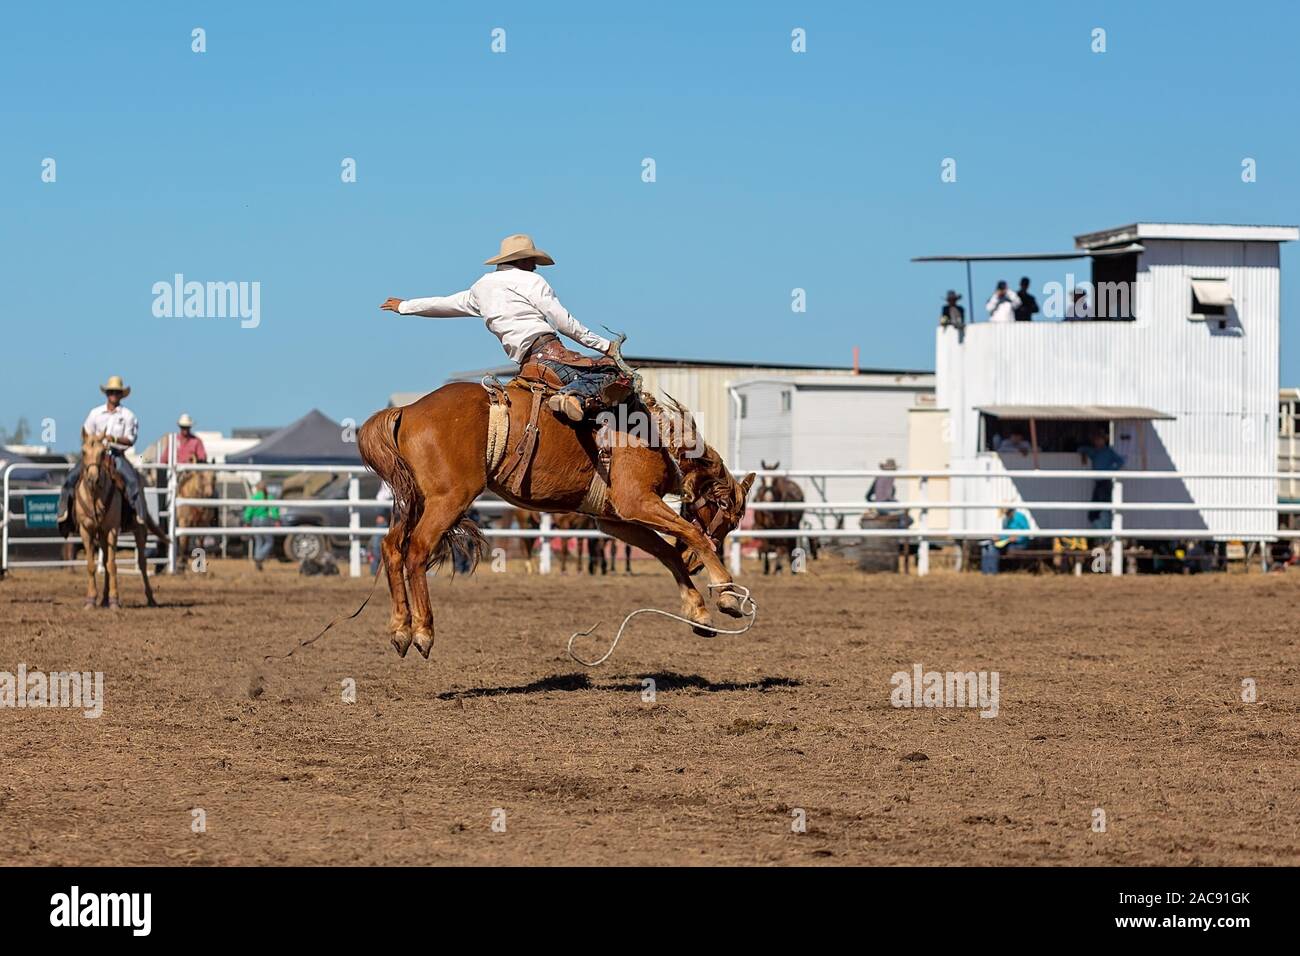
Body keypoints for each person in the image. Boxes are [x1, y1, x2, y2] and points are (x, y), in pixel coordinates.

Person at [381, 233, 628, 422]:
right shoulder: (532, 281)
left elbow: (443, 304)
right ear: (522, 260)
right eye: (533, 260)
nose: (536, 266)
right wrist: (606, 346)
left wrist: (405, 306)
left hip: (527, 366)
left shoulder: (480, 289)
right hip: (552, 356)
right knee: (613, 374)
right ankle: (571, 395)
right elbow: (564, 322)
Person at [57, 375, 169, 542]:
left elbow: (130, 439)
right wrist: (94, 444)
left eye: (116, 392)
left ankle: (138, 515)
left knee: (132, 481)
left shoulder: (128, 416)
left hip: (116, 455)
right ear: (107, 394)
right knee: (71, 478)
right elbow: (86, 435)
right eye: (111, 392)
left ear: (121, 395)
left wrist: (113, 439)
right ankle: (64, 514)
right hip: (95, 455)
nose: (113, 395)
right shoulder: (95, 413)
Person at [1078, 429, 1125, 527]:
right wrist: (1083, 454)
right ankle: (1099, 530)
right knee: (1096, 508)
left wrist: (1110, 470)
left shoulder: (1108, 451)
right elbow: (1081, 449)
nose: (1098, 441)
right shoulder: (1094, 452)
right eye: (1096, 440)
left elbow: (1120, 461)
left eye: (1100, 439)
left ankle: (1107, 530)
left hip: (1105, 482)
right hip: (1098, 482)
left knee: (1104, 506)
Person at [981, 506, 1031, 574]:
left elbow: (1027, 533)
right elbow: (1005, 534)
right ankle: (986, 571)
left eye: (1006, 513)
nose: (1006, 515)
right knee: (989, 546)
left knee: (994, 548)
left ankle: (992, 571)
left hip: (1020, 544)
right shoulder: (1005, 519)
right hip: (1008, 542)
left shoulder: (1020, 517)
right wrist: (999, 537)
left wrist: (1017, 538)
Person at [243, 480, 280, 571]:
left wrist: (247, 521)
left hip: (255, 520)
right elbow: (274, 509)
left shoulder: (254, 497)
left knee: (258, 541)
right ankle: (259, 557)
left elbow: (249, 510)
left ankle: (258, 560)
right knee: (269, 542)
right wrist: (276, 519)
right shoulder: (268, 497)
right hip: (265, 520)